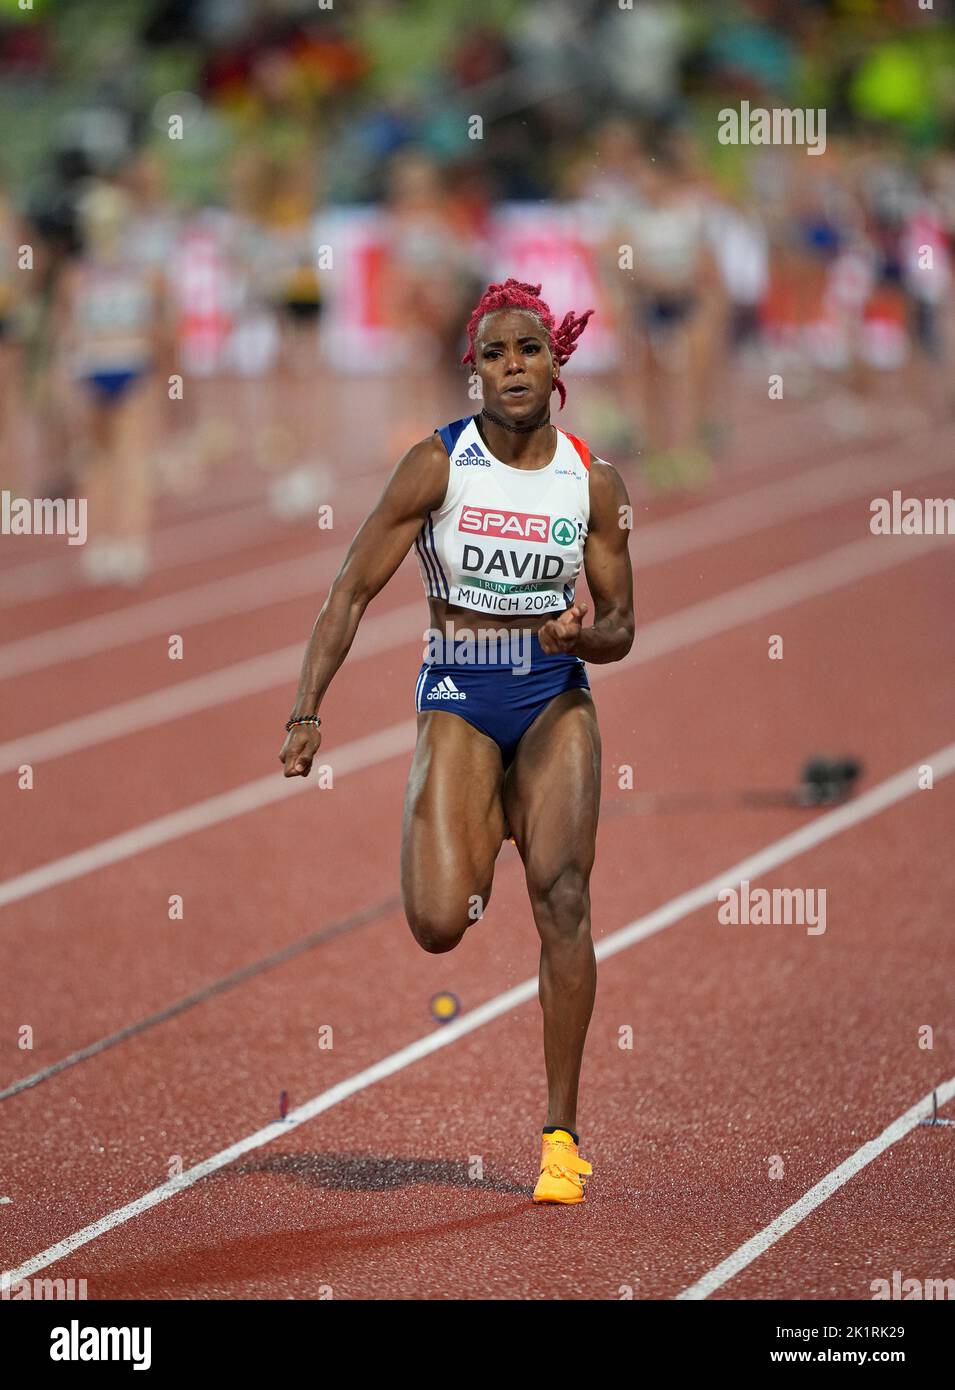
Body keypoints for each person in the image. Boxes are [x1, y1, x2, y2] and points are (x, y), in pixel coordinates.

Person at [280, 278, 635, 1204]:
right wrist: (306, 707)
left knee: (561, 897)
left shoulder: (593, 481)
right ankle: (484, 830)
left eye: (528, 351)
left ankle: (561, 1136)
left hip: (555, 698)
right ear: (471, 371)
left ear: (556, 362)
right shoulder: (435, 466)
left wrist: (579, 637)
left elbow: (623, 626)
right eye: (493, 355)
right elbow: (349, 590)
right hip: (459, 694)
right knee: (440, 924)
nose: (512, 368)